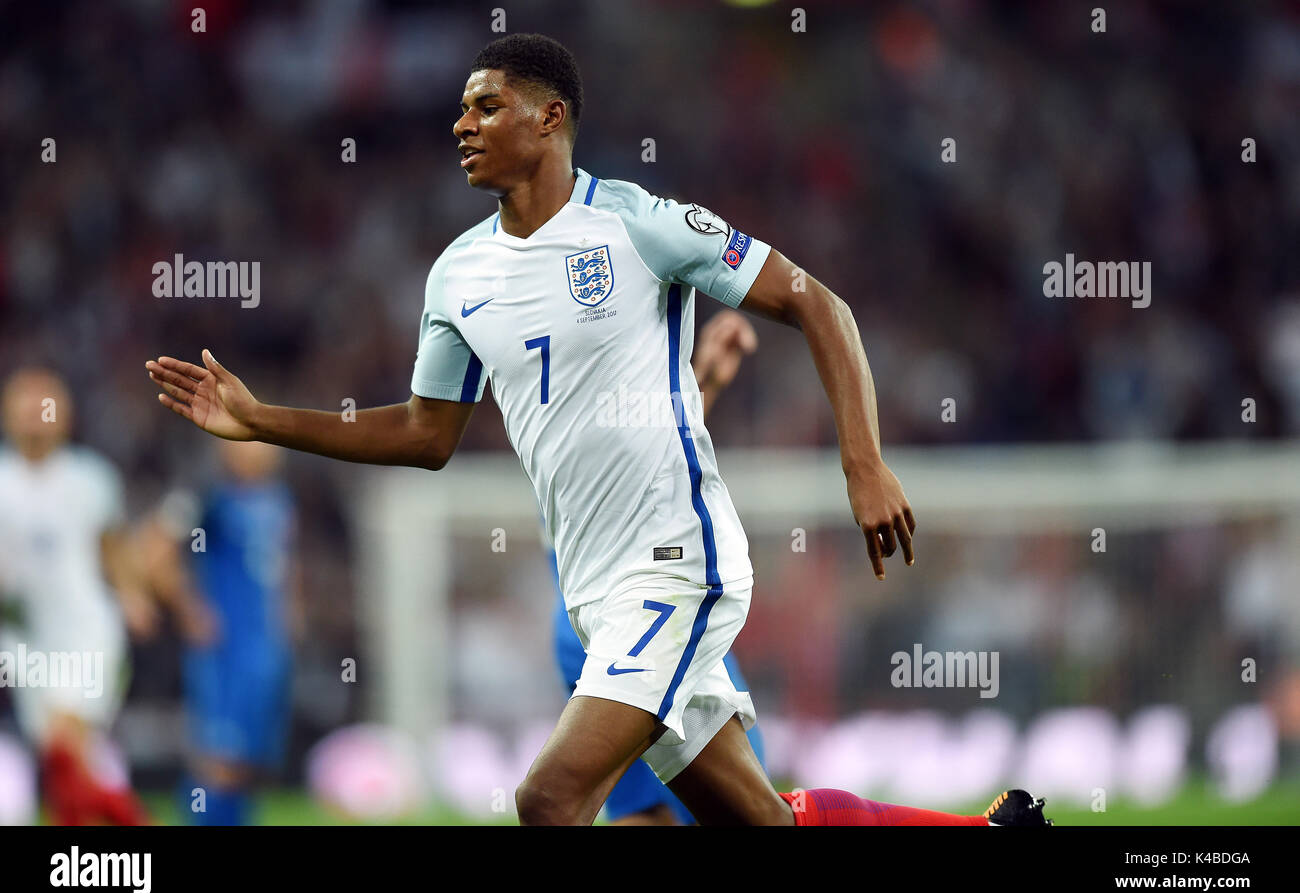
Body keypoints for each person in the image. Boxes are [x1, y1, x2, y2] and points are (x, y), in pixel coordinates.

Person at [147, 33, 1049, 826]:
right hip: (592, 592)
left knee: (548, 800)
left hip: (676, 565)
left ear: (550, 118)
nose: (461, 125)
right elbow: (425, 435)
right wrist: (263, 417)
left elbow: (819, 303)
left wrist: (864, 462)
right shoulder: (457, 275)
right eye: (460, 109)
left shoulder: (638, 224)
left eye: (486, 106)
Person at [551, 308, 765, 825]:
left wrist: (702, 380)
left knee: (747, 812)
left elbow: (646, 451)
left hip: (644, 605)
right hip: (638, 609)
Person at [0, 368, 152, 825]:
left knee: (66, 743)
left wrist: (132, 595)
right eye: (25, 405)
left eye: (45, 405)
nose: (35, 415)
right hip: (23, 639)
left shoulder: (90, 479)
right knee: (61, 758)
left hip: (86, 633)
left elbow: (112, 547)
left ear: (64, 417)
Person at [135, 440, 298, 825]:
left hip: (266, 649)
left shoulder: (279, 500)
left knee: (247, 763)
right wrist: (189, 608)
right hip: (225, 647)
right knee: (218, 756)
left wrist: (288, 617)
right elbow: (155, 546)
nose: (263, 450)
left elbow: (283, 569)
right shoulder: (207, 496)